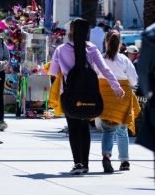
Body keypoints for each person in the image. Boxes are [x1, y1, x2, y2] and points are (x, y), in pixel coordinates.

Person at [49, 18, 124, 175]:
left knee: (74, 128)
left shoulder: (61, 49)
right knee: (84, 128)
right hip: (89, 95)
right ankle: (86, 164)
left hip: (69, 95)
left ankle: (78, 163)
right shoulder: (92, 48)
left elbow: (53, 72)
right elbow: (104, 69)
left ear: (71, 32)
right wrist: (116, 87)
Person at [97, 30, 139, 173]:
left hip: (106, 98)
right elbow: (133, 80)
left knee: (107, 129)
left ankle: (106, 156)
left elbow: (94, 75)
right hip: (123, 98)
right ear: (119, 43)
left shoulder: (100, 59)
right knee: (122, 130)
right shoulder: (124, 60)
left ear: (106, 42)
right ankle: (124, 161)